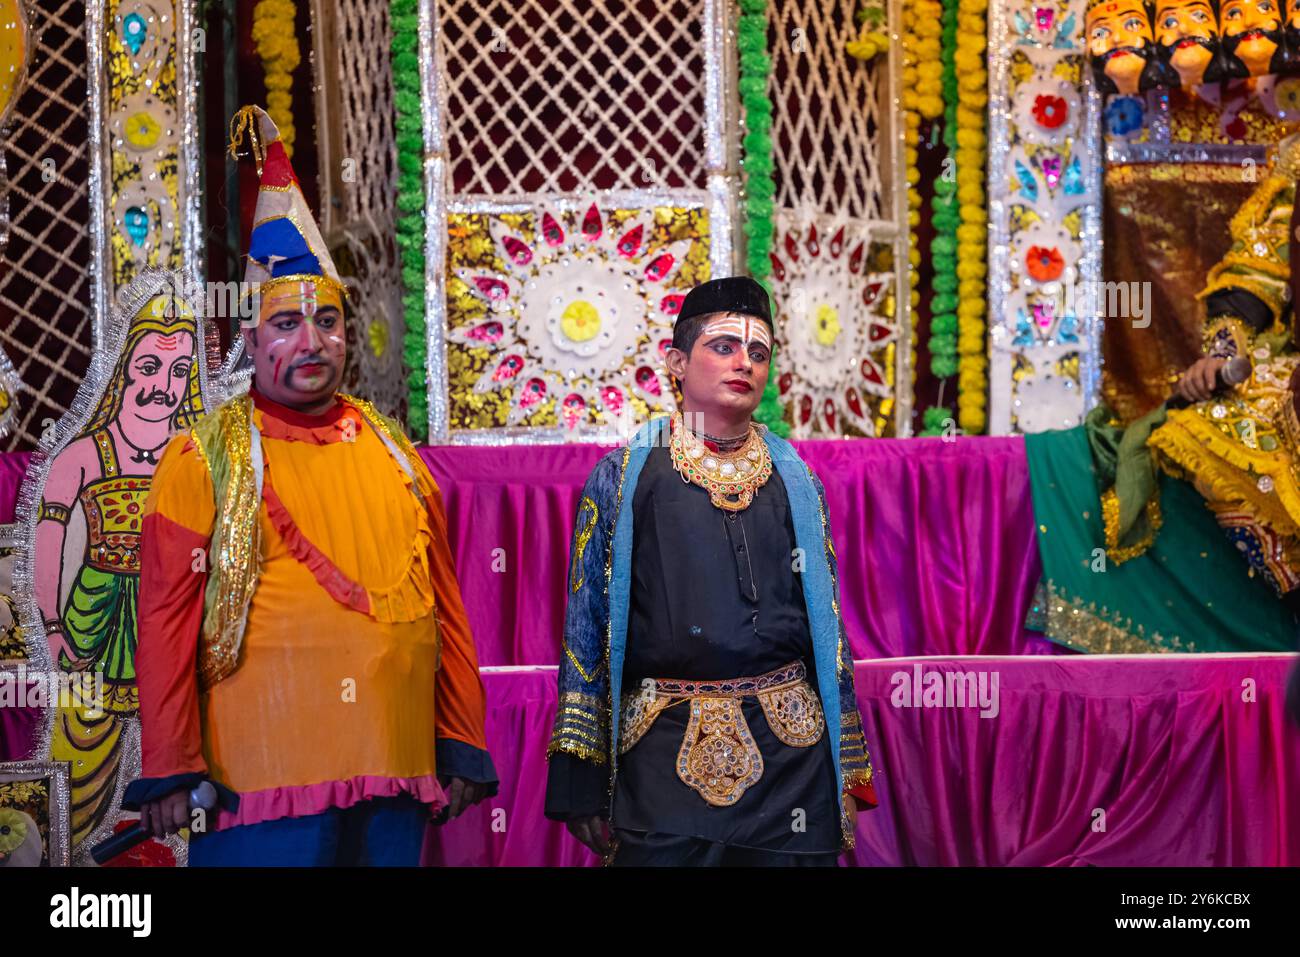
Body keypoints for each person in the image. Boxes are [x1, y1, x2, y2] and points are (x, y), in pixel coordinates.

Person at [119, 105, 497, 866]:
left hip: (392, 766)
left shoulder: (394, 452)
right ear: (250, 341)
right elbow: (162, 619)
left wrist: (458, 737)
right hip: (260, 777)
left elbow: (445, 609)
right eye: (287, 323)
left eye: (328, 320)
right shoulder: (203, 458)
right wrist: (169, 762)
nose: (312, 340)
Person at [544, 275, 877, 866]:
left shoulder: (797, 481)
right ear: (675, 361)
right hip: (661, 757)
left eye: (758, 352)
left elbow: (829, 629)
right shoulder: (623, 477)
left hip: (791, 756)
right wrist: (581, 776)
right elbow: (586, 630)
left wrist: (848, 766)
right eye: (722, 347)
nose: (743, 363)